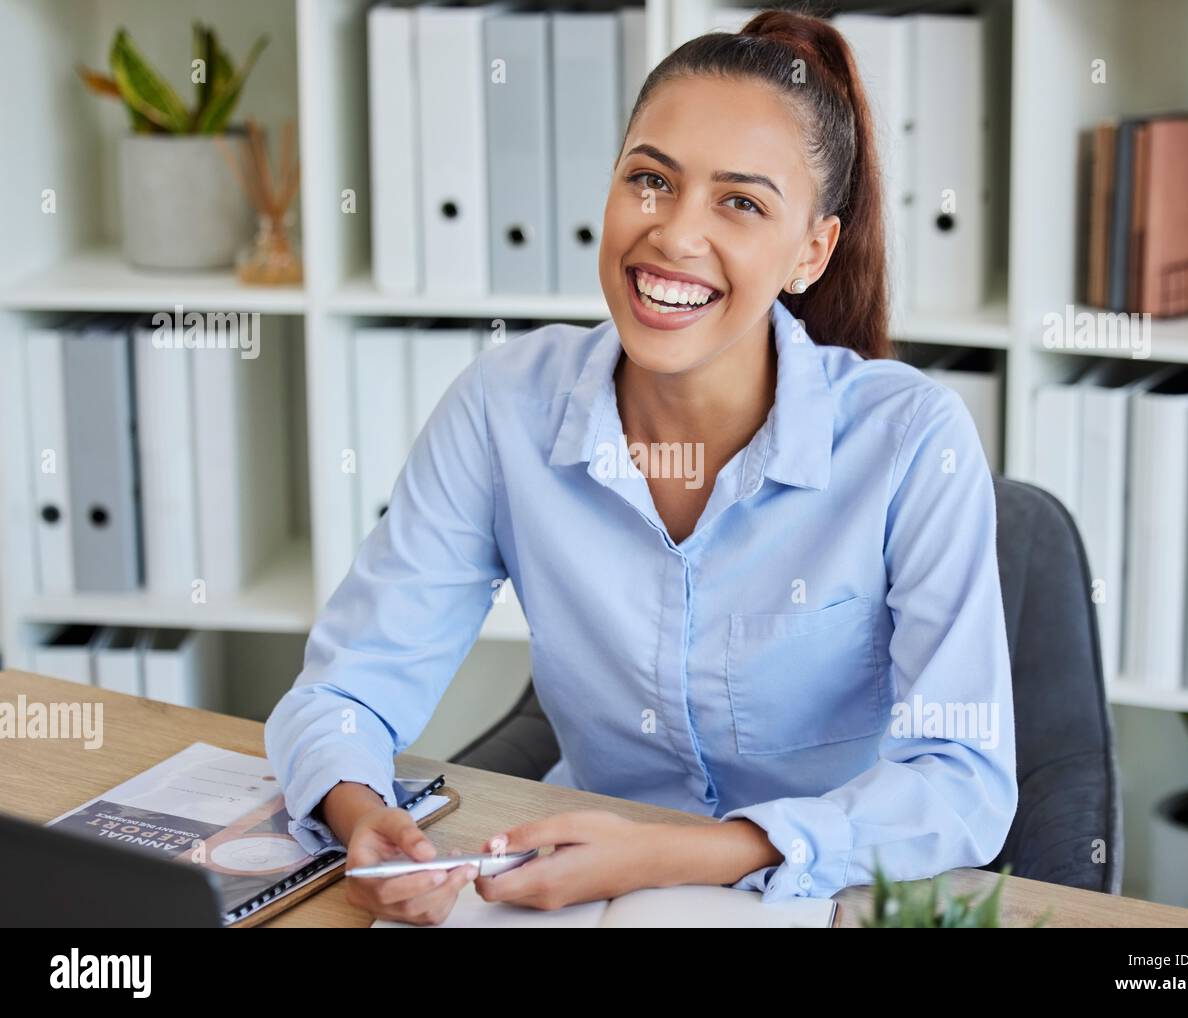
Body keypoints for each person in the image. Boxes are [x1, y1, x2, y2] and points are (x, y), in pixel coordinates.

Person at [265, 8, 1017, 926]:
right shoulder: (506, 408)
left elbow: (964, 779)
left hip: (827, 893)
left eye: (740, 202)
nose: (673, 234)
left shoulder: (910, 441)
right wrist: (358, 813)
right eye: (651, 181)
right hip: (577, 896)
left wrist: (690, 853)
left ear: (810, 251)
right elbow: (349, 684)